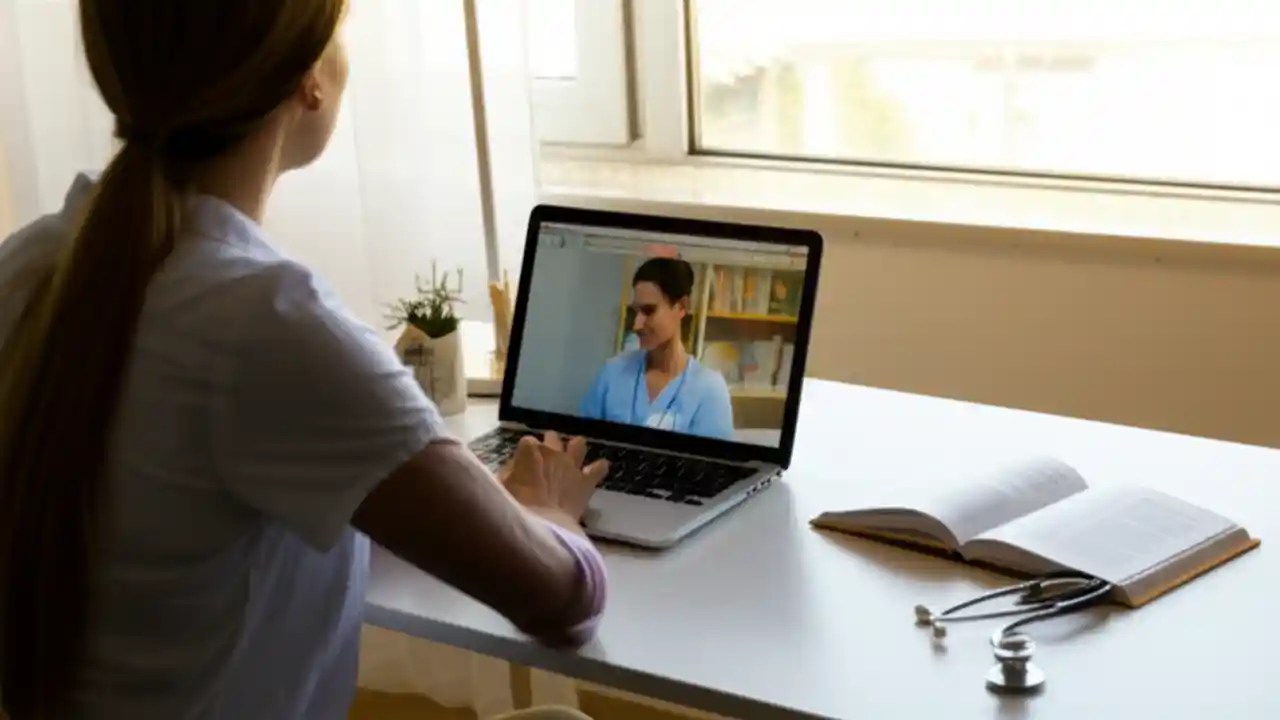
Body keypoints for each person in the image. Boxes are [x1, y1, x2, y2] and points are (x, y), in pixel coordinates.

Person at [0, 2, 609, 718]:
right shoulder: (268, 323)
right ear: (309, 78)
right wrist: (545, 509)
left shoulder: (30, 265)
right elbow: (565, 602)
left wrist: (454, 502)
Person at [579, 258, 735, 440]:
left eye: (649, 311)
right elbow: (581, 443)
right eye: (635, 312)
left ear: (682, 307)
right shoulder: (612, 374)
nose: (637, 324)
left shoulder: (709, 389)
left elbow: (714, 465)